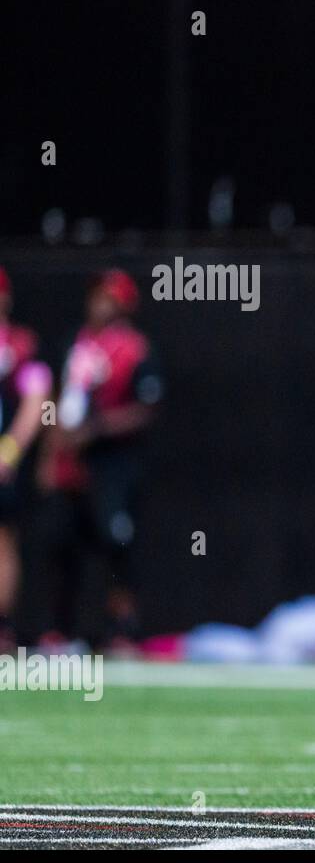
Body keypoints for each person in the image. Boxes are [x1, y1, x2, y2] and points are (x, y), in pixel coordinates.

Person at [37, 269, 163, 652]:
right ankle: (61, 631)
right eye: (96, 295)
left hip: (113, 462)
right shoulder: (76, 344)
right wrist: (49, 452)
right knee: (63, 542)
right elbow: (56, 400)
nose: (99, 303)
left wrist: (97, 429)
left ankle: (122, 628)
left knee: (116, 541)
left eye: (107, 297)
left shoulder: (135, 348)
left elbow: (147, 406)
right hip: (71, 461)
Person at [0, 267, 54, 652]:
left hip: (1, 456)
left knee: (3, 542)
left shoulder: (19, 344)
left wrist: (9, 452)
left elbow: (37, 401)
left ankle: (1, 628)